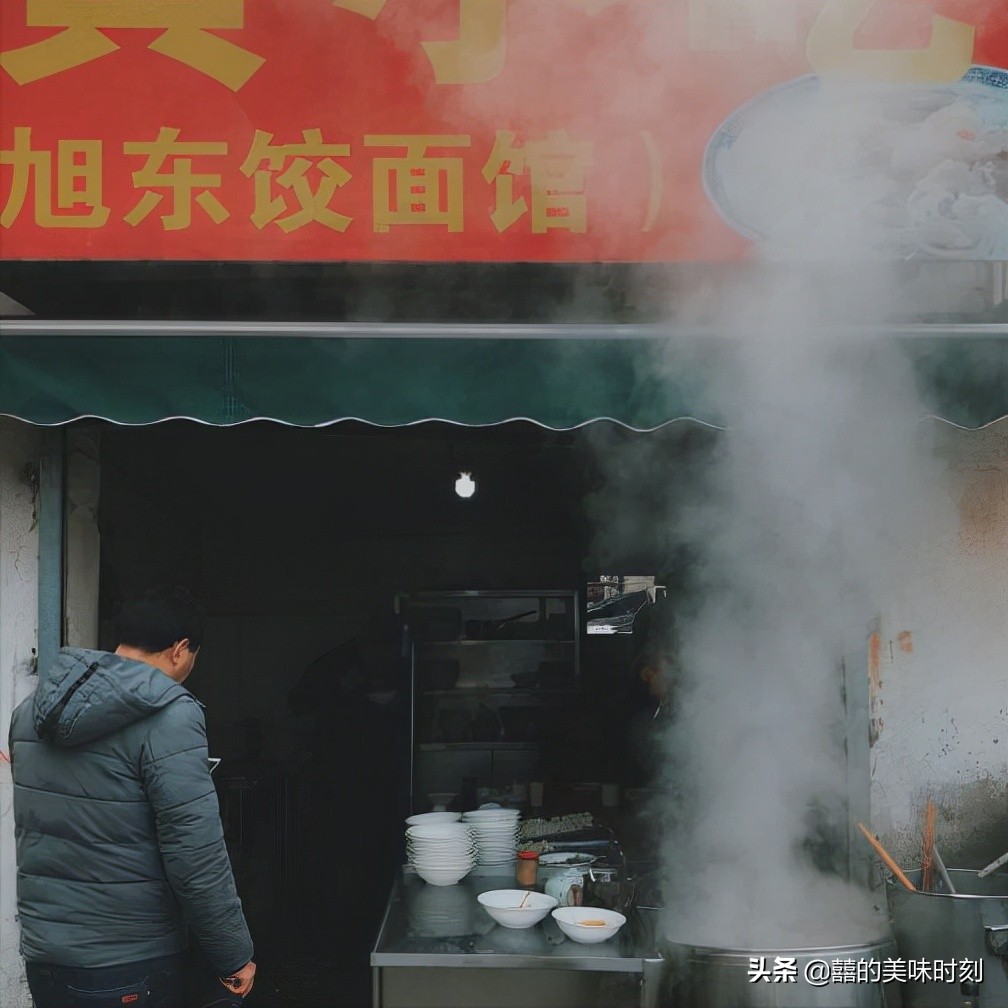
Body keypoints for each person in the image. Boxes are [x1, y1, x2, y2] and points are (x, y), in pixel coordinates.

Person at [8, 585, 256, 1008]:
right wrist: (233, 955)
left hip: (47, 957)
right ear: (179, 649)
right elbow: (195, 856)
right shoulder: (171, 715)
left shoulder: (30, 714)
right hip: (129, 962)